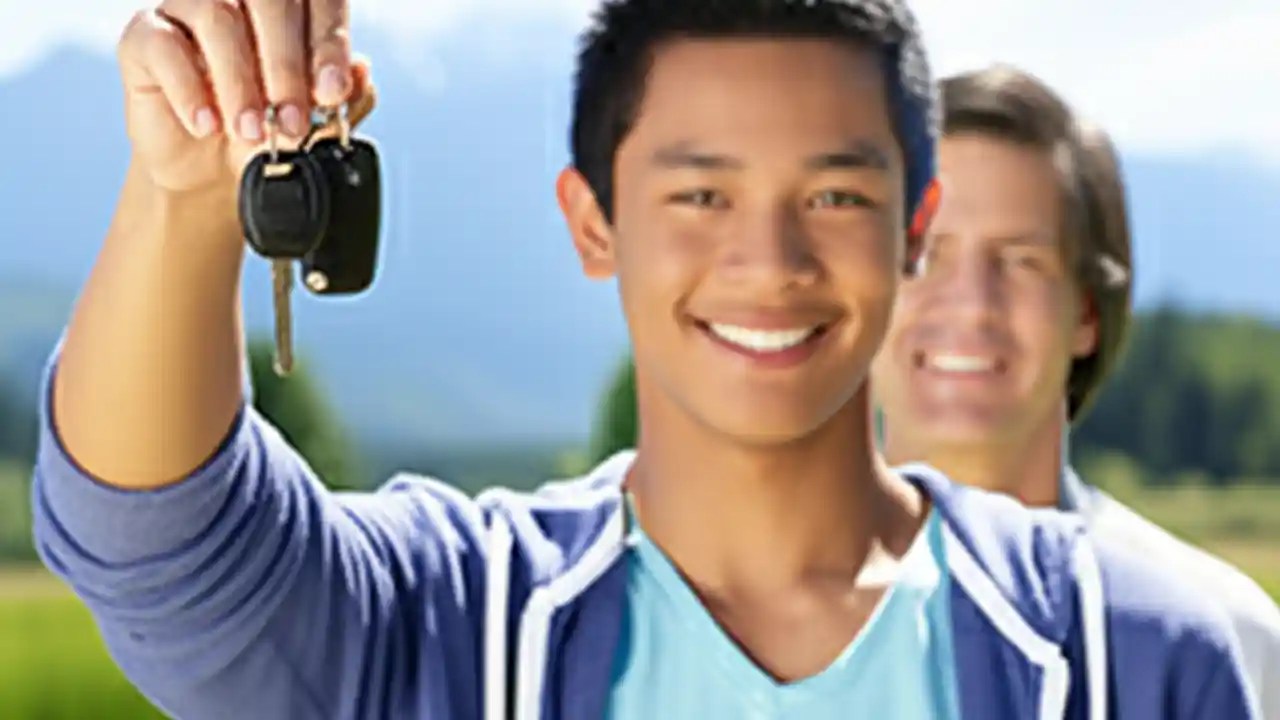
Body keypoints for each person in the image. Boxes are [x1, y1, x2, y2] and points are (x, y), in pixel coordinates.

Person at [29, 1, 1256, 718]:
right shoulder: (451, 621)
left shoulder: (1137, 654)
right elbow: (160, 541)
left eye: (832, 196)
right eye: (700, 197)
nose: (768, 261)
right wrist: (187, 190)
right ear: (591, 223)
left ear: (913, 228)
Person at [870, 64, 1280, 717]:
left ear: (1087, 312)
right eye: (923, 256)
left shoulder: (1225, 638)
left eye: (1021, 261)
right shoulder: (731, 625)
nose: (972, 305)